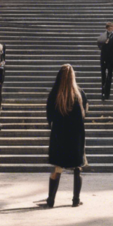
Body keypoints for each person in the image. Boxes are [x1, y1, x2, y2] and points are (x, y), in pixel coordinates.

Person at [44, 64, 88, 208]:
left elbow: (49, 115)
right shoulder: (80, 94)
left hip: (59, 135)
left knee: (58, 167)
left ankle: (51, 200)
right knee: (77, 168)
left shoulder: (54, 94)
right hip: (76, 136)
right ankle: (76, 200)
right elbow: (84, 114)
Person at [97, 22, 113, 100]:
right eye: (110, 27)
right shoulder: (103, 35)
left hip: (111, 57)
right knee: (103, 75)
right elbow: (99, 45)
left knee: (109, 76)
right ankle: (103, 92)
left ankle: (107, 93)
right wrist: (104, 44)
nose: (112, 28)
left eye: (112, 27)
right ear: (107, 28)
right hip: (104, 57)